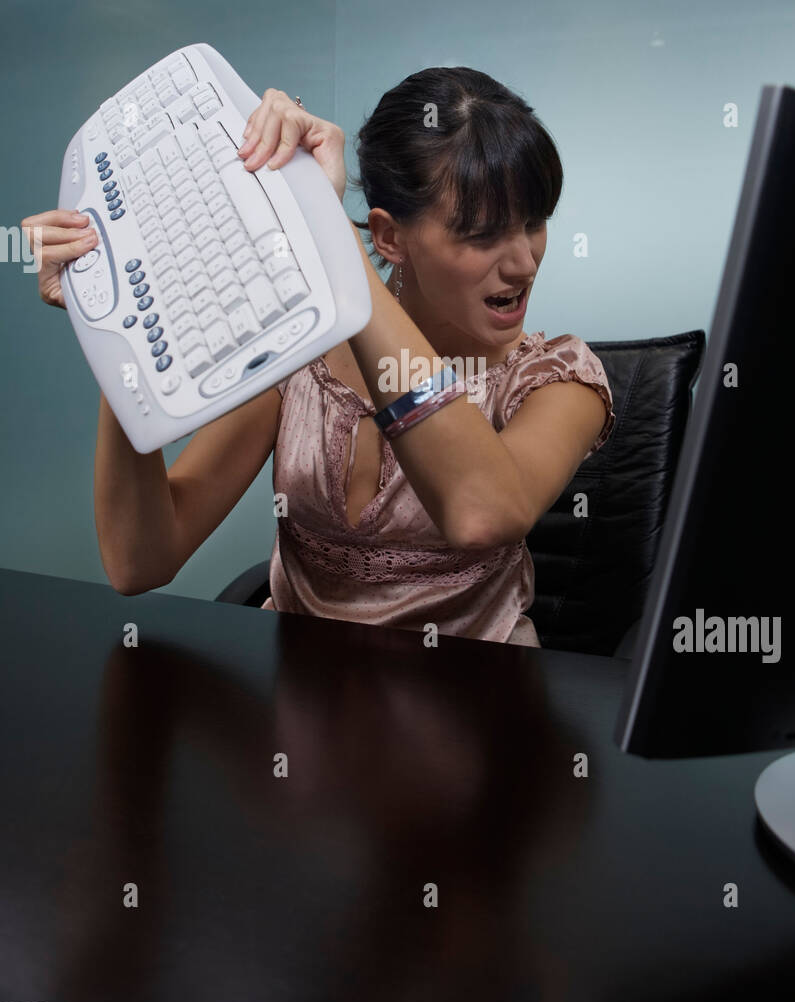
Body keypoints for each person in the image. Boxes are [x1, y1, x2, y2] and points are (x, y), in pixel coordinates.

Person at [23, 66, 615, 646]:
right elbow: (139, 562)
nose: (524, 263)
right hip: (301, 710)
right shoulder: (298, 357)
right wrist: (113, 326)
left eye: (535, 223)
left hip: (475, 707)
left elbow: (481, 513)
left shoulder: (558, 377)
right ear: (387, 237)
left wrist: (323, 231)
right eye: (484, 234)